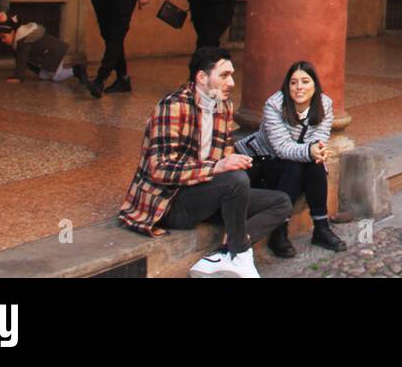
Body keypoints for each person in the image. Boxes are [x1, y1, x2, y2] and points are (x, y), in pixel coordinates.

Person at [118, 46, 292, 277]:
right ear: (201, 77)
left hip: (207, 194)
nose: (231, 82)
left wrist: (232, 162)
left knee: (281, 202)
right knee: (235, 180)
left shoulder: (223, 106)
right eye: (223, 75)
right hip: (170, 201)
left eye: (231, 75)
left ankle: (221, 254)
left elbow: (224, 159)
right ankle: (240, 255)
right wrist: (217, 167)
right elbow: (159, 169)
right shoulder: (173, 106)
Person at [236, 61, 347, 254]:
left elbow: (319, 137)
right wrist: (310, 151)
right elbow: (281, 148)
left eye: (305, 81)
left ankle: (321, 227)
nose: (299, 87)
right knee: (294, 167)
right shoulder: (274, 105)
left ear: (315, 85)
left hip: (294, 160)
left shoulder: (324, 104)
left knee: (315, 166)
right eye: (293, 82)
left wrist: (317, 151)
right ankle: (279, 230)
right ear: (287, 86)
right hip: (264, 160)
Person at [0, 16, 91, 89]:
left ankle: (77, 69)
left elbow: (21, 60)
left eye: (4, 37)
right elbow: (19, 58)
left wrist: (18, 77)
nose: (3, 40)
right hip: (50, 52)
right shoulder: (18, 41)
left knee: (56, 77)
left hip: (54, 51)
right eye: (0, 38)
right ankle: (77, 72)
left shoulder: (22, 41)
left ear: (13, 32)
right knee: (43, 75)